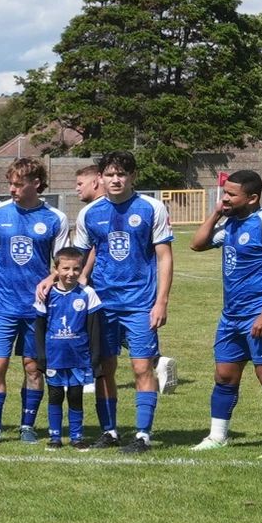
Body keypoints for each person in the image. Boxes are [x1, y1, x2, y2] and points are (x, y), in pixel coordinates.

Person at [66, 152, 174, 452]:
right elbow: (78, 257)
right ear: (101, 177)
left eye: (122, 174)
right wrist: (56, 279)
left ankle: (142, 435)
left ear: (132, 176)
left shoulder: (151, 208)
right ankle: (110, 431)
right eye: (110, 174)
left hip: (140, 303)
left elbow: (164, 257)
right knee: (103, 369)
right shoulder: (90, 213)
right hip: (102, 305)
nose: (116, 180)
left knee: (142, 367)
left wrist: (161, 302)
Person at [189, 170, 262, 458]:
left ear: (252, 198)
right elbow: (197, 244)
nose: (225, 198)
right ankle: (217, 436)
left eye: (231, 194)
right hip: (231, 316)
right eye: (224, 192)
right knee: (224, 376)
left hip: (260, 313)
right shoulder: (231, 224)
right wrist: (216, 213)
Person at [0, 158, 66, 445]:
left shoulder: (55, 218)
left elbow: (62, 265)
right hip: (1, 306)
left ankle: (27, 426)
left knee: (33, 367)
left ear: (36, 183)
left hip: (37, 309)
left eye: (18, 184)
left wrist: (51, 278)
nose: (12, 189)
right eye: (10, 183)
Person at [38, 248, 101, 450]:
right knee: (55, 395)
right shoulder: (46, 294)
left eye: (76, 269)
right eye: (65, 268)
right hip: (54, 356)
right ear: (56, 269)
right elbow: (39, 327)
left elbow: (93, 329)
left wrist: (95, 358)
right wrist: (41, 356)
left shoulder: (88, 293)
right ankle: (55, 437)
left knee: (75, 396)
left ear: (81, 269)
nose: (71, 273)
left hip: (78, 357)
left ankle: (76, 437)